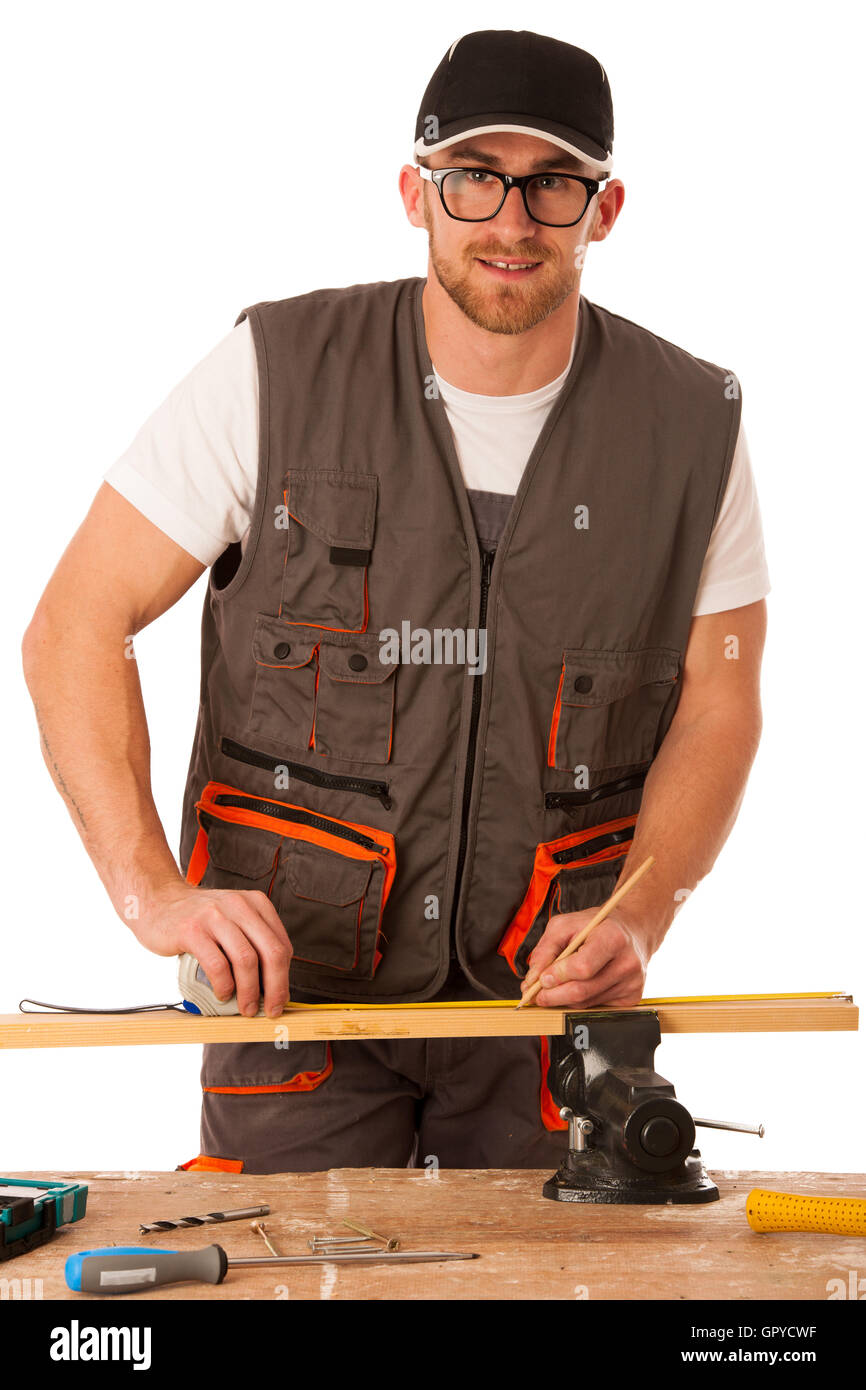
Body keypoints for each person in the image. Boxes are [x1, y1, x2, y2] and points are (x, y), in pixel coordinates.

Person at [21, 30, 769, 1173]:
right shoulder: (272, 370)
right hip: (295, 1012)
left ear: (602, 210)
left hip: (538, 1022)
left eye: (550, 183)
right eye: (473, 175)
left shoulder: (689, 430)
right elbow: (74, 623)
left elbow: (719, 709)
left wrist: (638, 912)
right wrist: (153, 898)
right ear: (414, 192)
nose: (509, 222)